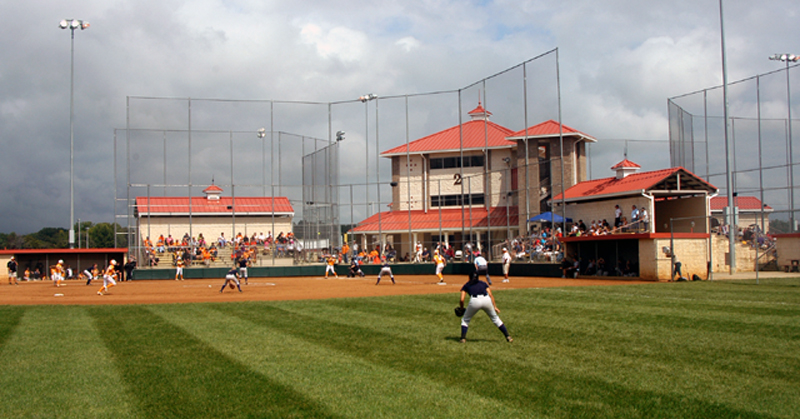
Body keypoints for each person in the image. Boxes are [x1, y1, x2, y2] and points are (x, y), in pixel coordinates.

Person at [456, 274, 512, 343]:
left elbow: (462, 299)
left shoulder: (467, 285)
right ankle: (508, 336)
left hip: (475, 301)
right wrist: (494, 307)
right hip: (486, 300)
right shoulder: (483, 283)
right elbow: (490, 294)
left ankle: (463, 338)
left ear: (469, 278)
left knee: (465, 320)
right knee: (495, 319)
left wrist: (462, 308)